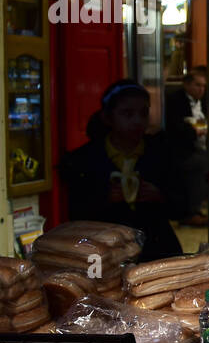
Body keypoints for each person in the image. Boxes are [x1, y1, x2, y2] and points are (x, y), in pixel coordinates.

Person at [60, 80, 182, 260]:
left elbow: (184, 206)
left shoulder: (161, 153)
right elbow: (74, 214)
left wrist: (160, 195)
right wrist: (105, 198)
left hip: (158, 250)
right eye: (127, 114)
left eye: (143, 113)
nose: (137, 121)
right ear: (108, 117)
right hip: (104, 254)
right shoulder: (84, 159)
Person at [163, 65, 209, 226]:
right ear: (187, 85)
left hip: (203, 145)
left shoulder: (204, 102)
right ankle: (191, 212)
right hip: (181, 149)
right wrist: (195, 132)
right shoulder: (176, 100)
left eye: (203, 86)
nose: (201, 89)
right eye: (197, 85)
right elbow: (175, 128)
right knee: (202, 163)